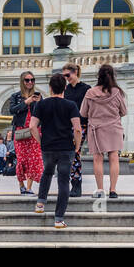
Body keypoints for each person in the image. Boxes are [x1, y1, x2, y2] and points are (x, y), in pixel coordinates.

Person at [30, 73, 82, 229]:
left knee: (47, 172)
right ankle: (59, 219)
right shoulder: (71, 105)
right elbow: (77, 129)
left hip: (48, 146)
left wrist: (40, 141)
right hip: (66, 147)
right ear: (64, 88)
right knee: (63, 181)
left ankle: (40, 203)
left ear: (50, 88)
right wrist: (77, 146)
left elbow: (32, 126)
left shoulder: (41, 104)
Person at [79, 63, 128, 198]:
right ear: (113, 76)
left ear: (98, 76)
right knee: (114, 158)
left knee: (97, 159)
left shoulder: (90, 93)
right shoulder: (117, 92)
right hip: (114, 128)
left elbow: (83, 113)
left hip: (96, 129)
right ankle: (113, 190)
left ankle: (100, 190)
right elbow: (124, 111)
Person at [7, 71, 43, 195]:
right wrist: (26, 102)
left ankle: (29, 188)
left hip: (34, 131)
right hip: (20, 130)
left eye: (32, 80)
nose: (30, 82)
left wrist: (38, 103)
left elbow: (41, 113)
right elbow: (12, 110)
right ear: (22, 82)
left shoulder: (38, 96)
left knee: (33, 159)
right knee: (21, 160)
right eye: (27, 80)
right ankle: (21, 185)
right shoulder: (15, 96)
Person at [62, 62, 92, 196]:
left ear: (75, 72)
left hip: (82, 125)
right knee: (72, 153)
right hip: (67, 126)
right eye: (64, 76)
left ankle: (76, 183)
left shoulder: (86, 88)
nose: (66, 78)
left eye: (67, 75)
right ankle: (74, 182)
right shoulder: (65, 90)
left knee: (75, 152)